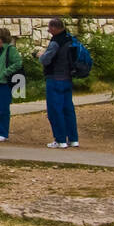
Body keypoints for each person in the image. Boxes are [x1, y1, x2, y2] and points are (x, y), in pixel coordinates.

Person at [38, 17, 80, 149]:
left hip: (55, 79)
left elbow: (46, 60)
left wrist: (39, 55)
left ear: (55, 28)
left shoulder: (56, 42)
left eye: (50, 27)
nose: (48, 30)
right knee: (68, 110)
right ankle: (73, 139)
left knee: (55, 110)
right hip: (68, 78)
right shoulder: (70, 39)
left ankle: (60, 139)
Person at [0, 27, 22, 143]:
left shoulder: (10, 50)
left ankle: (3, 133)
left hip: (4, 84)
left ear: (2, 38)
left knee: (4, 109)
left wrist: (5, 72)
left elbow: (18, 63)